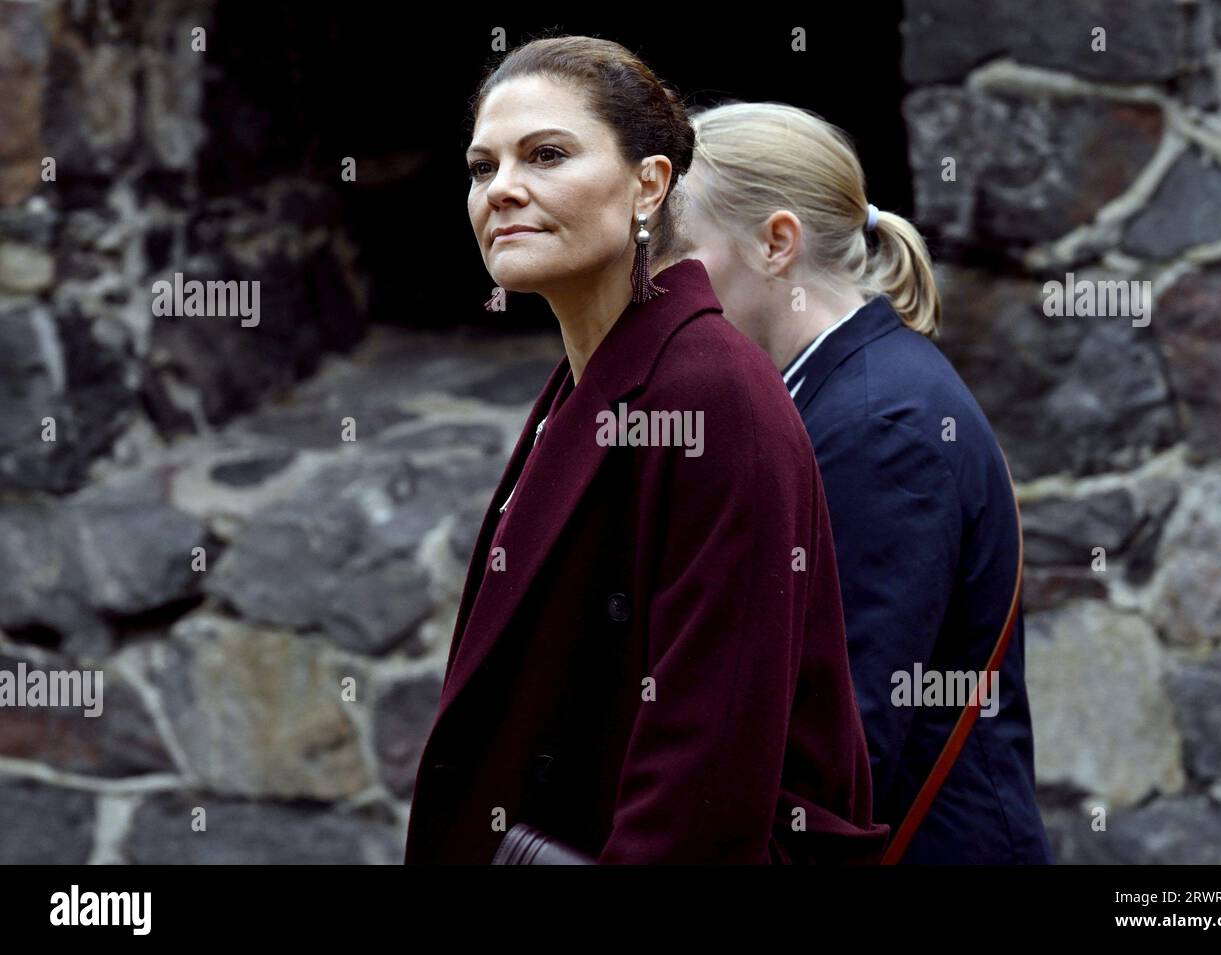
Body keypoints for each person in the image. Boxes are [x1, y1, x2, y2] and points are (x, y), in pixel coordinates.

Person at [404, 37, 889, 864]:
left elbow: (709, 759)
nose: (504, 190)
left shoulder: (712, 393)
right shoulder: (591, 374)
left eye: (547, 155)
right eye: (482, 168)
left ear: (649, 184)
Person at [670, 101, 1053, 863]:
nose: (655, 284)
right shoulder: (844, 393)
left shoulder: (881, 424)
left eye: (675, 250)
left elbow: (839, 745)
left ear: (777, 243)